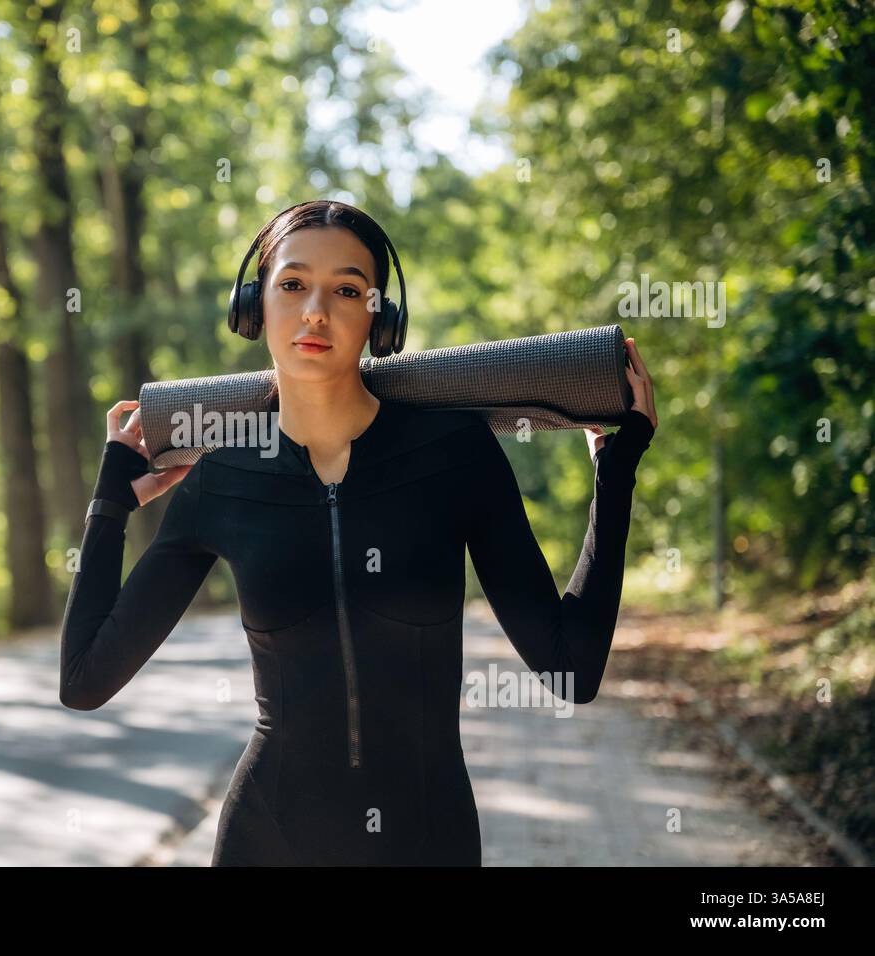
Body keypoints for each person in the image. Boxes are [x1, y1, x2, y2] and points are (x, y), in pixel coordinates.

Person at [59, 200, 657, 865]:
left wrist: (616, 473)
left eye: (347, 289)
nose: (315, 309)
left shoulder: (453, 454)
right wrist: (108, 509)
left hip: (428, 840)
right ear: (256, 307)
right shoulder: (221, 479)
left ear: (380, 317)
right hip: (267, 840)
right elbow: (84, 679)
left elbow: (570, 667)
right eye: (293, 284)